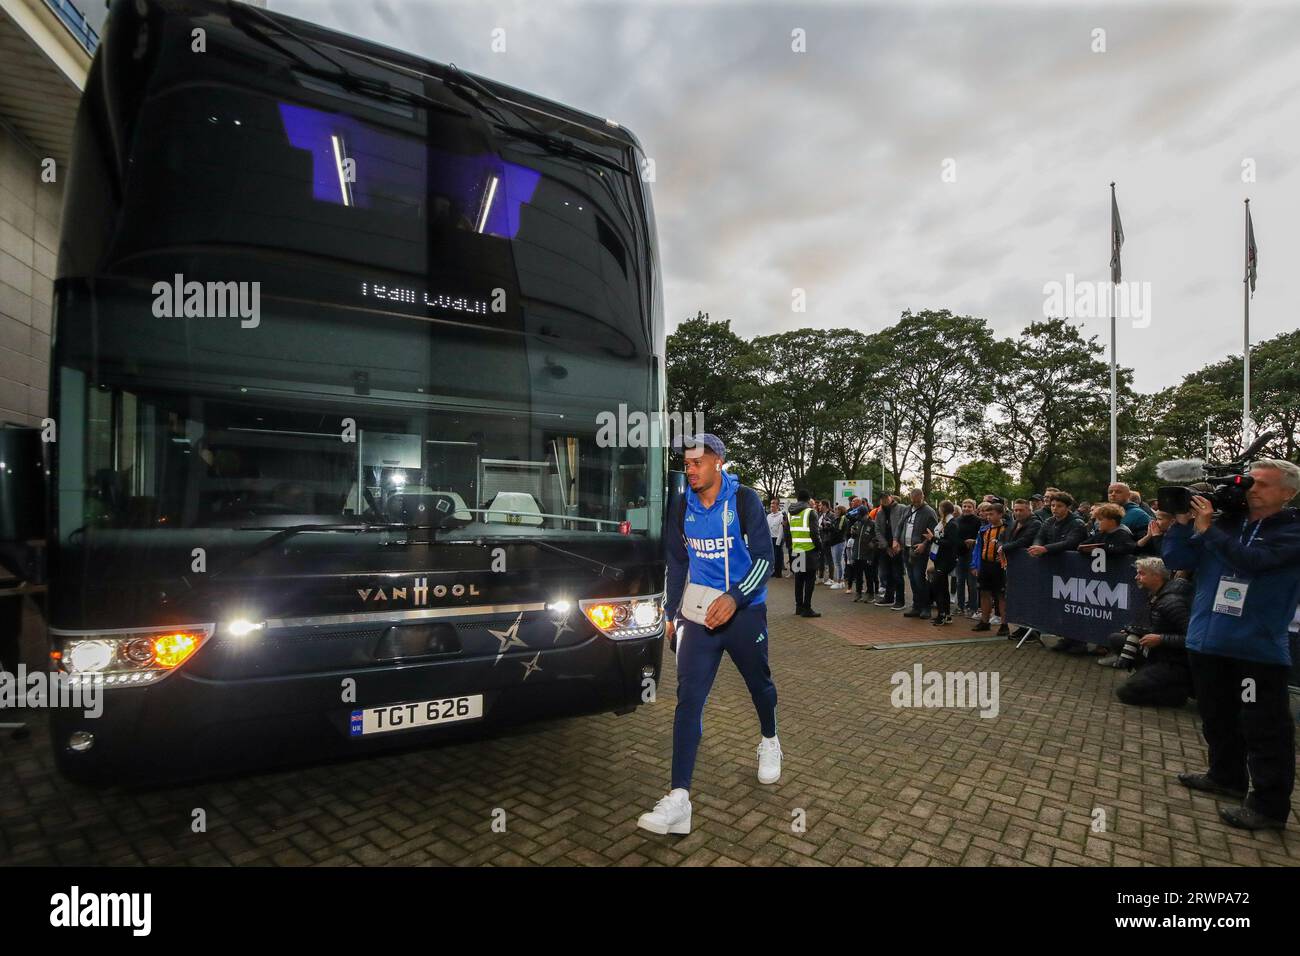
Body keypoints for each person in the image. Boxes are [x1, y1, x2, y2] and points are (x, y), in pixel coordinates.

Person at [641, 433, 779, 836]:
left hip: (744, 612)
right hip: (697, 618)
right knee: (688, 699)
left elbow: (765, 559)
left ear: (718, 461)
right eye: (686, 464)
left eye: (697, 462)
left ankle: (769, 739)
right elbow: (676, 560)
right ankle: (679, 798)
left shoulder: (744, 500)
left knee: (760, 684)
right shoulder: (682, 504)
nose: (691, 469)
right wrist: (669, 613)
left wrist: (735, 598)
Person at [1162, 458, 1300, 831]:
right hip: (1207, 640)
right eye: (1250, 482)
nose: (1251, 489)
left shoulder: (1292, 530)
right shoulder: (1226, 523)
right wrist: (1181, 523)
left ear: (1289, 493)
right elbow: (1177, 559)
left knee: (1263, 730)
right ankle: (1225, 776)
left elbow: (1253, 562)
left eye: (1262, 485)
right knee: (1217, 717)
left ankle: (1269, 808)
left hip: (1255, 650)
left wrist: (1208, 532)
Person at [1097, 558, 1193, 704]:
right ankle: (1147, 674)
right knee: (1117, 639)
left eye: (1141, 574)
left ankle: (1177, 693)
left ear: (1156, 576)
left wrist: (1161, 639)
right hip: (1156, 652)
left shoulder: (1173, 602)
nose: (1137, 577)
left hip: (1174, 661)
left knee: (1125, 692)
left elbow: (1193, 638)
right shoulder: (1155, 594)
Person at [1029, 491, 1089, 653]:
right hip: (1055, 568)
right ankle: (1065, 637)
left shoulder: (1077, 523)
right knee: (1060, 605)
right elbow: (1040, 536)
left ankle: (1079, 641)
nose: (1055, 509)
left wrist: (1045, 549)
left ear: (1068, 507)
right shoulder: (1049, 521)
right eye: (1053, 505)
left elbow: (1070, 542)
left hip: (1074, 570)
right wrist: (1037, 546)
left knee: (1074, 605)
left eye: (1059, 506)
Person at [1001, 498, 1043, 641]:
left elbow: (1024, 541)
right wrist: (1002, 546)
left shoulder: (1035, 524)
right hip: (1015, 566)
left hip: (1030, 566)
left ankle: (1032, 630)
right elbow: (1003, 537)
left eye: (1021, 510)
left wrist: (1004, 548)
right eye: (1016, 510)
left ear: (1029, 510)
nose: (1017, 513)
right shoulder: (1013, 524)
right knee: (1019, 597)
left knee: (1029, 598)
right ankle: (1023, 627)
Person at [899, 489, 939, 619]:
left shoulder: (929, 512)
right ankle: (916, 606)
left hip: (919, 550)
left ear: (922, 497)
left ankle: (925, 607)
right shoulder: (907, 509)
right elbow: (901, 525)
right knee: (911, 579)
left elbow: (933, 533)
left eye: (917, 500)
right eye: (913, 499)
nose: (915, 502)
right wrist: (897, 540)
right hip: (906, 548)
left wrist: (924, 544)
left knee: (919, 579)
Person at [971, 501, 1010, 635]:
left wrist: (1006, 558)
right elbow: (977, 548)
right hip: (985, 564)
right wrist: (975, 565)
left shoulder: (1007, 529)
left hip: (999, 567)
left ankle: (1004, 624)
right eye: (987, 515)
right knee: (984, 592)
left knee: (1001, 595)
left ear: (1000, 514)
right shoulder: (984, 530)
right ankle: (984, 621)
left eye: (991, 514)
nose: (988, 517)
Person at [788, 490, 823, 618]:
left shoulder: (790, 513)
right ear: (808, 500)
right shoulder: (810, 512)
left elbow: (788, 533)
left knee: (799, 579)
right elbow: (815, 533)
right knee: (809, 580)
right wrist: (819, 547)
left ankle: (799, 607)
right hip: (809, 551)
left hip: (796, 550)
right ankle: (807, 608)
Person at [925, 500, 958, 626]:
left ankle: (942, 614)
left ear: (943, 509)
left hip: (947, 559)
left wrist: (933, 539)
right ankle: (945, 614)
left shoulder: (952, 524)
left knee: (937, 585)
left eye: (940, 508)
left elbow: (950, 543)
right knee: (942, 587)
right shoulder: (942, 522)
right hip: (939, 558)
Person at [874, 493, 905, 609]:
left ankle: (900, 601)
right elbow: (877, 530)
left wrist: (898, 544)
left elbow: (904, 527)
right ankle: (889, 597)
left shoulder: (901, 509)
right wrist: (886, 546)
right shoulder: (880, 513)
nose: (884, 500)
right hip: (885, 548)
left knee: (898, 574)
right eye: (882, 499)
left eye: (886, 498)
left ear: (891, 497)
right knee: (887, 574)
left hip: (898, 547)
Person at [953, 499, 982, 617]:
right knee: (960, 582)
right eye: (964, 506)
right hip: (960, 554)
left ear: (974, 509)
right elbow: (954, 536)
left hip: (972, 555)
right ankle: (960, 606)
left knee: (972, 582)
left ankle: (973, 607)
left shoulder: (978, 521)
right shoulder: (957, 520)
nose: (966, 508)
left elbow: (981, 537)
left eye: (969, 506)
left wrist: (974, 541)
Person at [766, 498, 790, 578]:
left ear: (777, 505)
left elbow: (781, 529)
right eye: (771, 504)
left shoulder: (781, 516)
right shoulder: (769, 516)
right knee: (772, 556)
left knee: (778, 556)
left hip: (778, 538)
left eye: (773, 504)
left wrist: (779, 540)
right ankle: (774, 571)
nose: (771, 505)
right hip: (770, 538)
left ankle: (778, 572)